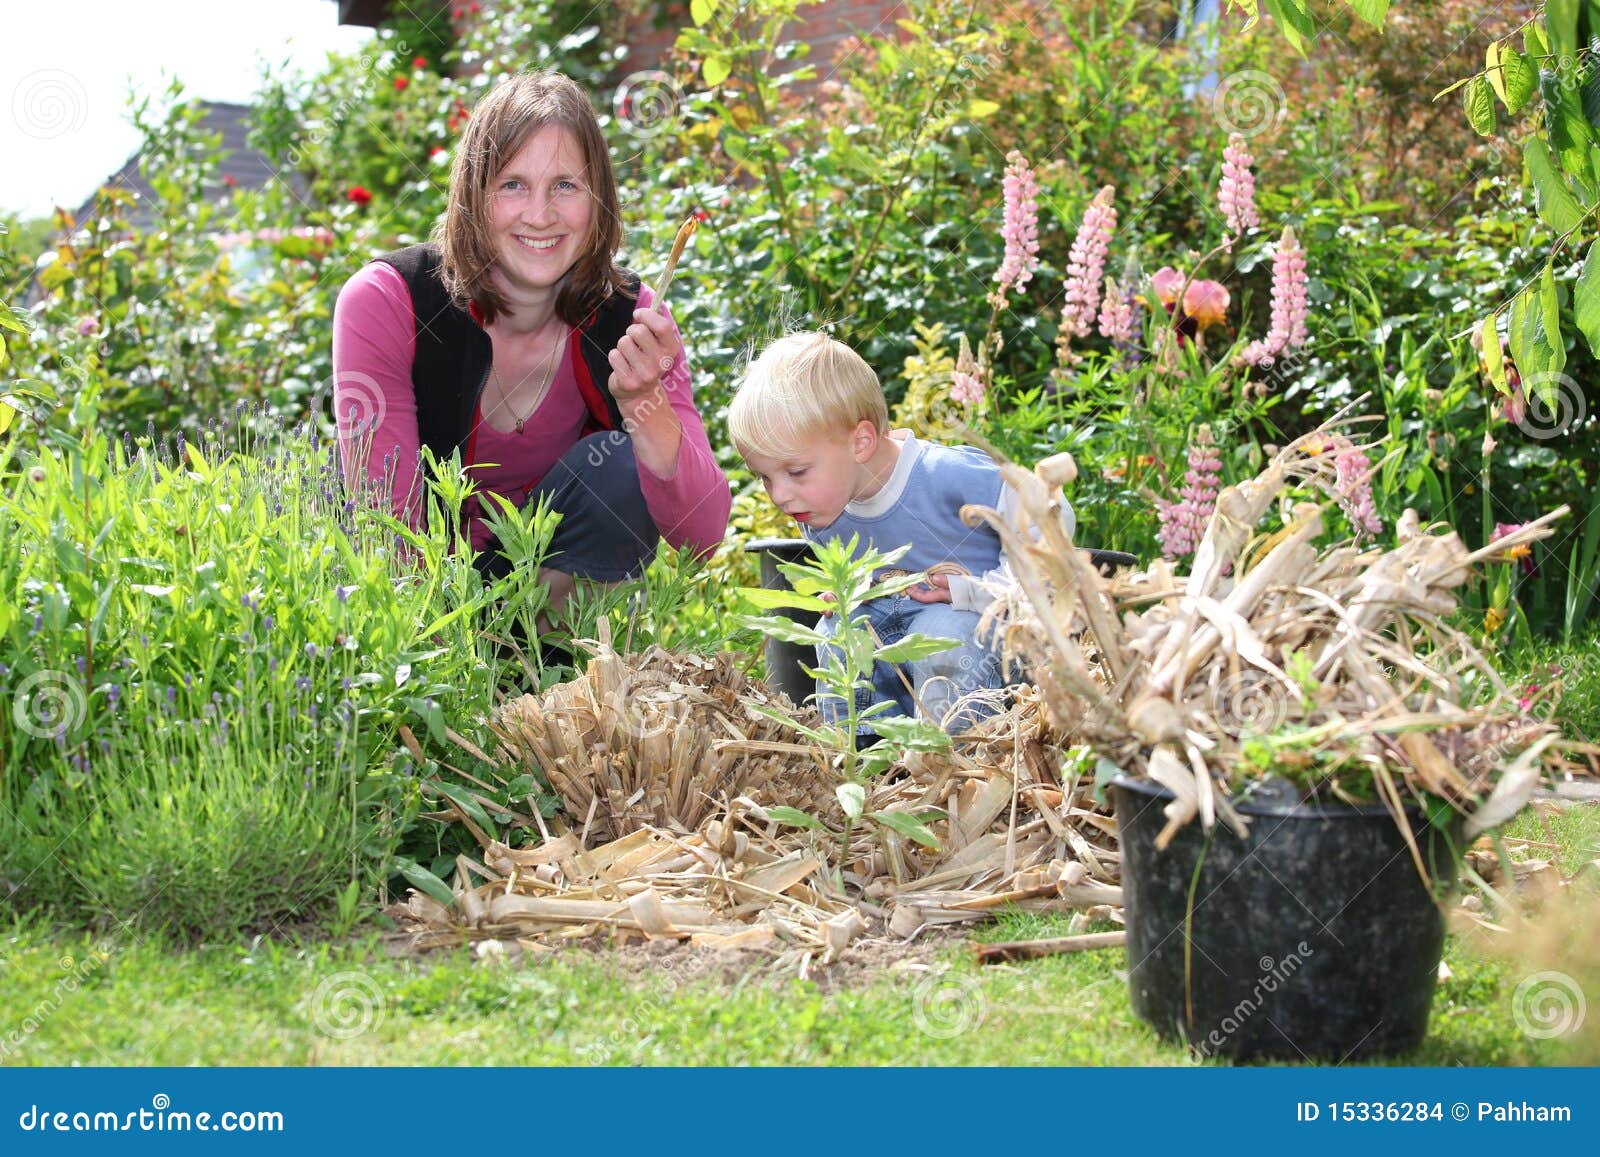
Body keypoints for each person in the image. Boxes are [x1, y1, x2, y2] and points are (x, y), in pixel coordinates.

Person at [331, 70, 730, 628]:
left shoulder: (632, 316)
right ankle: (488, 679)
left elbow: (703, 536)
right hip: (414, 612)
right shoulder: (390, 301)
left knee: (621, 467)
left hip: (554, 611)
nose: (540, 215)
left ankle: (547, 683)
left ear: (598, 200)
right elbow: (382, 531)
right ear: (473, 193)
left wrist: (647, 404)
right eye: (512, 184)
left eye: (565, 185)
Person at [728, 331, 1075, 734]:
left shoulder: (941, 475)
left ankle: (957, 766)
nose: (780, 495)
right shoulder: (821, 505)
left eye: (796, 472)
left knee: (941, 635)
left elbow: (1050, 511)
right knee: (837, 635)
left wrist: (985, 590)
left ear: (860, 442)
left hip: (984, 638)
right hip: (892, 628)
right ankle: (867, 762)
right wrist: (849, 591)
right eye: (765, 478)